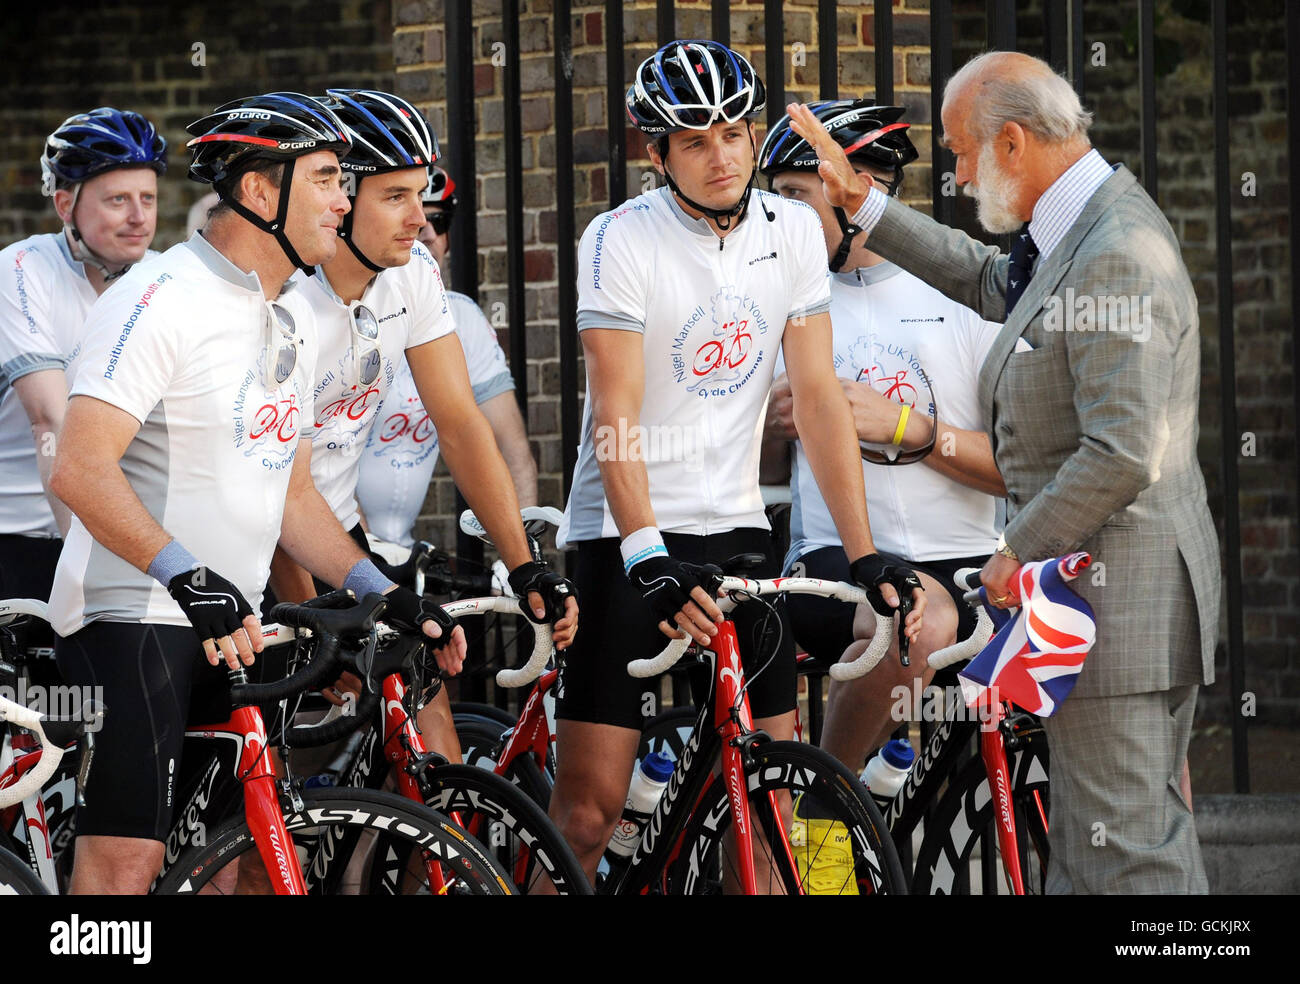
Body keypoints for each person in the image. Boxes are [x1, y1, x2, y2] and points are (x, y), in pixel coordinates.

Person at [787, 50, 1220, 894]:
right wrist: (862, 201)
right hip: (1115, 596)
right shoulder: (1080, 228)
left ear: (1013, 142)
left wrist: (1014, 547)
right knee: (1124, 848)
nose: (953, 173)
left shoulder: (1117, 251)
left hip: (1116, 604)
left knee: (1119, 861)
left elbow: (1124, 448)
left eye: (959, 151)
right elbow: (990, 280)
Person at [45, 91, 469, 895]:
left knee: (239, 859)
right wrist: (183, 573)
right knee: (124, 864)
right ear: (260, 191)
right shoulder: (158, 296)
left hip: (232, 621)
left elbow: (295, 496)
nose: (344, 200)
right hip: (138, 615)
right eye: (325, 179)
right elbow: (78, 466)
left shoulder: (291, 317)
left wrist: (382, 593)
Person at [547, 40, 926, 885]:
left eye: (733, 133)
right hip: (626, 533)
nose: (721, 157)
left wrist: (862, 551)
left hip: (740, 532)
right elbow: (615, 407)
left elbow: (820, 398)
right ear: (658, 154)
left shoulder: (792, 228)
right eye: (694, 140)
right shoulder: (617, 239)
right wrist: (645, 551)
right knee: (587, 813)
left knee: (769, 794)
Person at [268, 88, 574, 757]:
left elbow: (463, 425)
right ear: (342, 199)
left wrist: (523, 566)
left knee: (436, 758)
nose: (420, 217)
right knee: (289, 791)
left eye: (423, 194)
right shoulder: (284, 301)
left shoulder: (412, 276)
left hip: (336, 532)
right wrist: (317, 626)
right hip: (255, 540)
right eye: (397, 197)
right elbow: (270, 496)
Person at [757, 100, 1005, 767]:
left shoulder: (965, 297)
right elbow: (750, 479)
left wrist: (916, 432)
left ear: (860, 192)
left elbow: (1030, 468)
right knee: (915, 629)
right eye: (773, 197)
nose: (776, 216)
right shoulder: (778, 301)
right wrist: (774, 432)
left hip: (970, 559)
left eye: (794, 195)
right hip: (835, 562)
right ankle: (827, 805)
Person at [0, 108, 166, 612]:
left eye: (148, 199)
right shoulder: (22, 269)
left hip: (125, 532)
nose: (139, 218)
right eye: (118, 200)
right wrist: (87, 567)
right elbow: (51, 418)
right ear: (65, 204)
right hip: (23, 532)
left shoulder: (163, 279)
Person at [356, 163, 538, 549]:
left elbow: (509, 450)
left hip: (400, 548)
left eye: (438, 221)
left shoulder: (463, 316)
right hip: (337, 542)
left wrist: (518, 559)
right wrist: (366, 556)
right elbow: (319, 460)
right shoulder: (346, 308)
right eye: (400, 203)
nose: (426, 231)